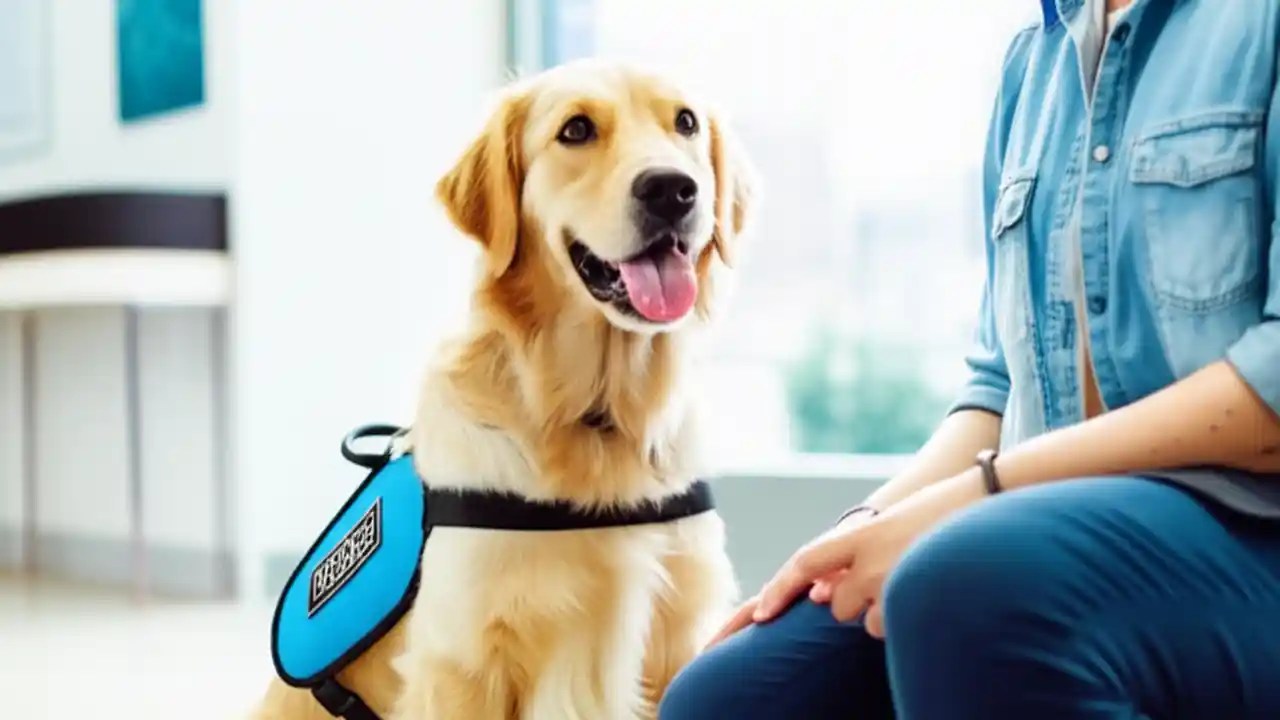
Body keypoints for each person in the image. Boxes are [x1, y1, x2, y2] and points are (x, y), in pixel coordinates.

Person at [659, 0, 1280, 717]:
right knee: (732, 696)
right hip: (1033, 523)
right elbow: (1000, 391)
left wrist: (978, 497)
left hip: (1250, 534)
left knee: (963, 582)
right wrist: (863, 526)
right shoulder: (1037, 62)